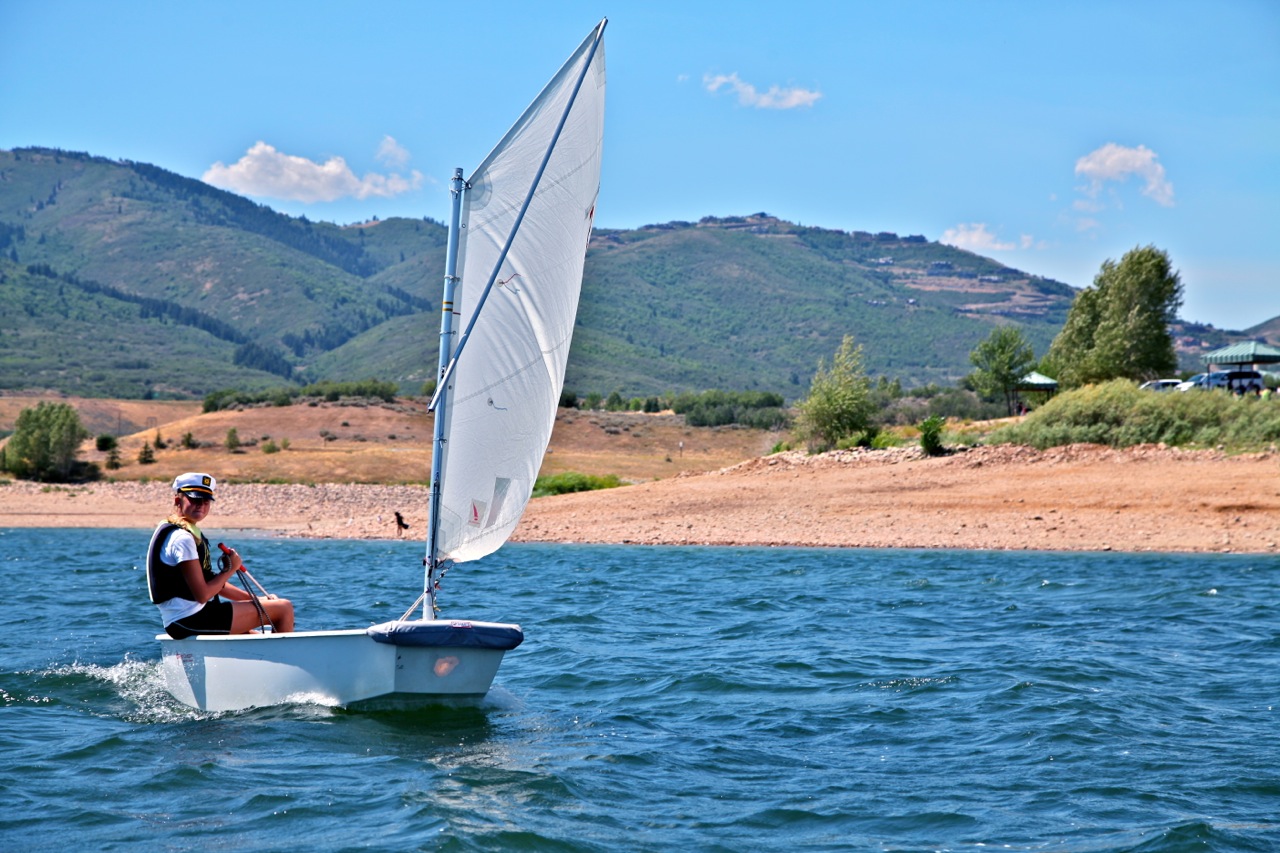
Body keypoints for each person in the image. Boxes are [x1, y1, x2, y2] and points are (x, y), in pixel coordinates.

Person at [146, 472, 294, 638]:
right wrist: (230, 569)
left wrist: (257, 599)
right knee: (283, 609)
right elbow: (203, 595)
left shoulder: (177, 530)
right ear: (177, 501)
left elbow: (212, 582)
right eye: (195, 499)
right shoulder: (182, 538)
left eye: (206, 501)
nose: (201, 505)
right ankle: (281, 661)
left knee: (251, 635)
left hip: (182, 621)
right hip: (190, 620)